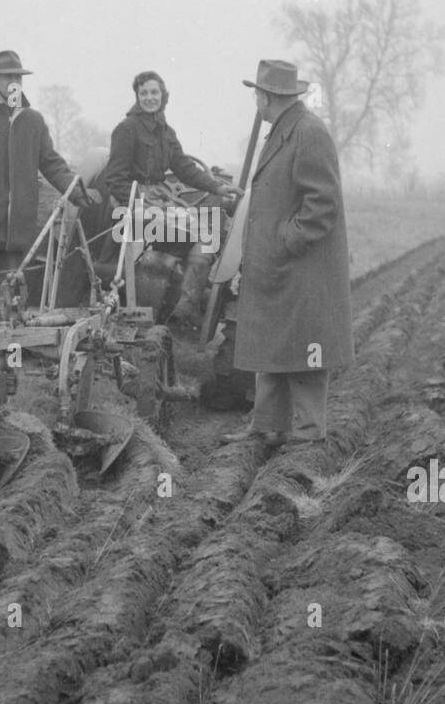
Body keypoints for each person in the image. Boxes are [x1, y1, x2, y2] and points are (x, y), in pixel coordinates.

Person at [221, 59, 354, 447]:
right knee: (272, 344)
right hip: (278, 265)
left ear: (267, 97)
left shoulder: (309, 133)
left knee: (306, 347)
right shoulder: (284, 128)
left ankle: (308, 433)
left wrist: (287, 240)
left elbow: (323, 203)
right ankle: (267, 426)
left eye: (256, 94)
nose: (254, 101)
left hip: (302, 265)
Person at [0, 50, 97, 307]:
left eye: (17, 77)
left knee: (10, 293)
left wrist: (76, 190)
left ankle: (3, 346)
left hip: (17, 229)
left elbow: (52, 163)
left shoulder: (33, 121)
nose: (12, 82)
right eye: (6, 77)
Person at [103, 70, 241, 323]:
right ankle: (184, 308)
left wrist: (218, 188)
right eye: (143, 93)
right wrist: (139, 200)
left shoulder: (166, 132)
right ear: (137, 97)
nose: (149, 98)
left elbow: (185, 168)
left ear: (163, 96)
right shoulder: (127, 129)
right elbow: (114, 179)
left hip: (160, 198)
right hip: (133, 203)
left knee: (206, 233)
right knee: (203, 234)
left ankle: (183, 305)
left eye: (154, 92)